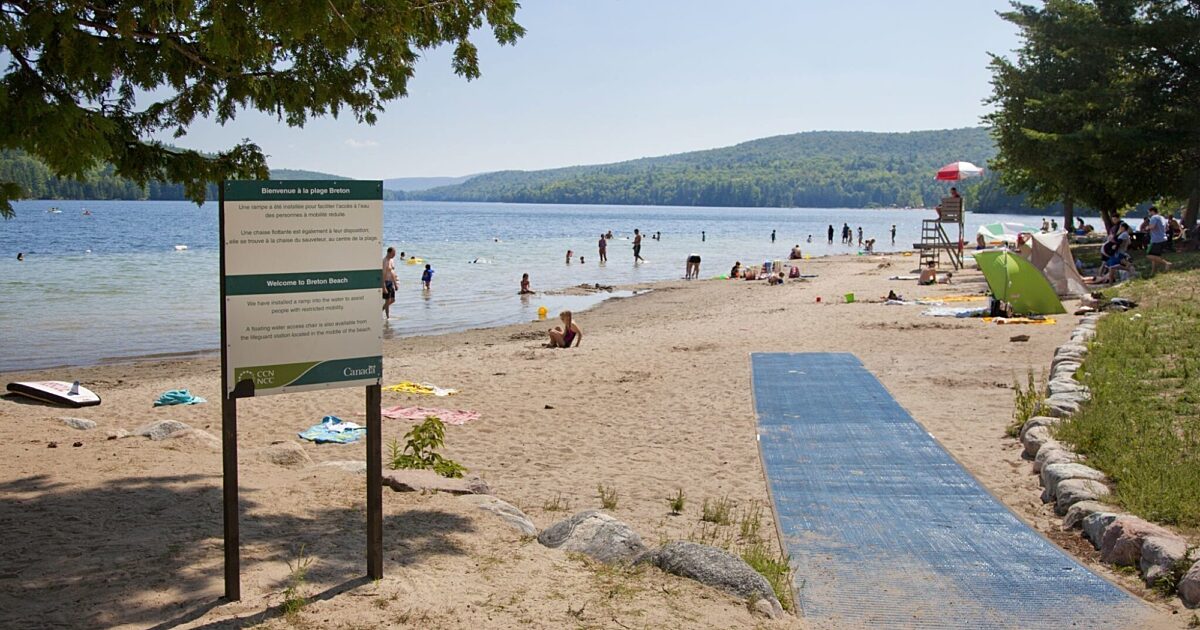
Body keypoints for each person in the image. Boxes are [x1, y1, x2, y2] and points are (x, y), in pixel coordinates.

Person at [1142, 206, 1173, 274]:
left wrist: (1147, 227)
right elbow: (1167, 228)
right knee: (1155, 256)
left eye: (1149, 212)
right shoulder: (1162, 218)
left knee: (1149, 255)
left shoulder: (1154, 217)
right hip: (1163, 238)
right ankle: (1153, 272)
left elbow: (1152, 226)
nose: (1149, 214)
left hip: (1156, 240)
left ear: (1152, 211)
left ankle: (1166, 263)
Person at [382, 247, 398, 319]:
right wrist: (384, 286)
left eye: (395, 253)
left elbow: (392, 273)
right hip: (385, 282)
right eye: (393, 253)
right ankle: (387, 317)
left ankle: (380, 310)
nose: (394, 255)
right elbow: (383, 274)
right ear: (388, 252)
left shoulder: (391, 260)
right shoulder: (384, 261)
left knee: (392, 300)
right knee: (387, 300)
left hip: (391, 282)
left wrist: (395, 284)